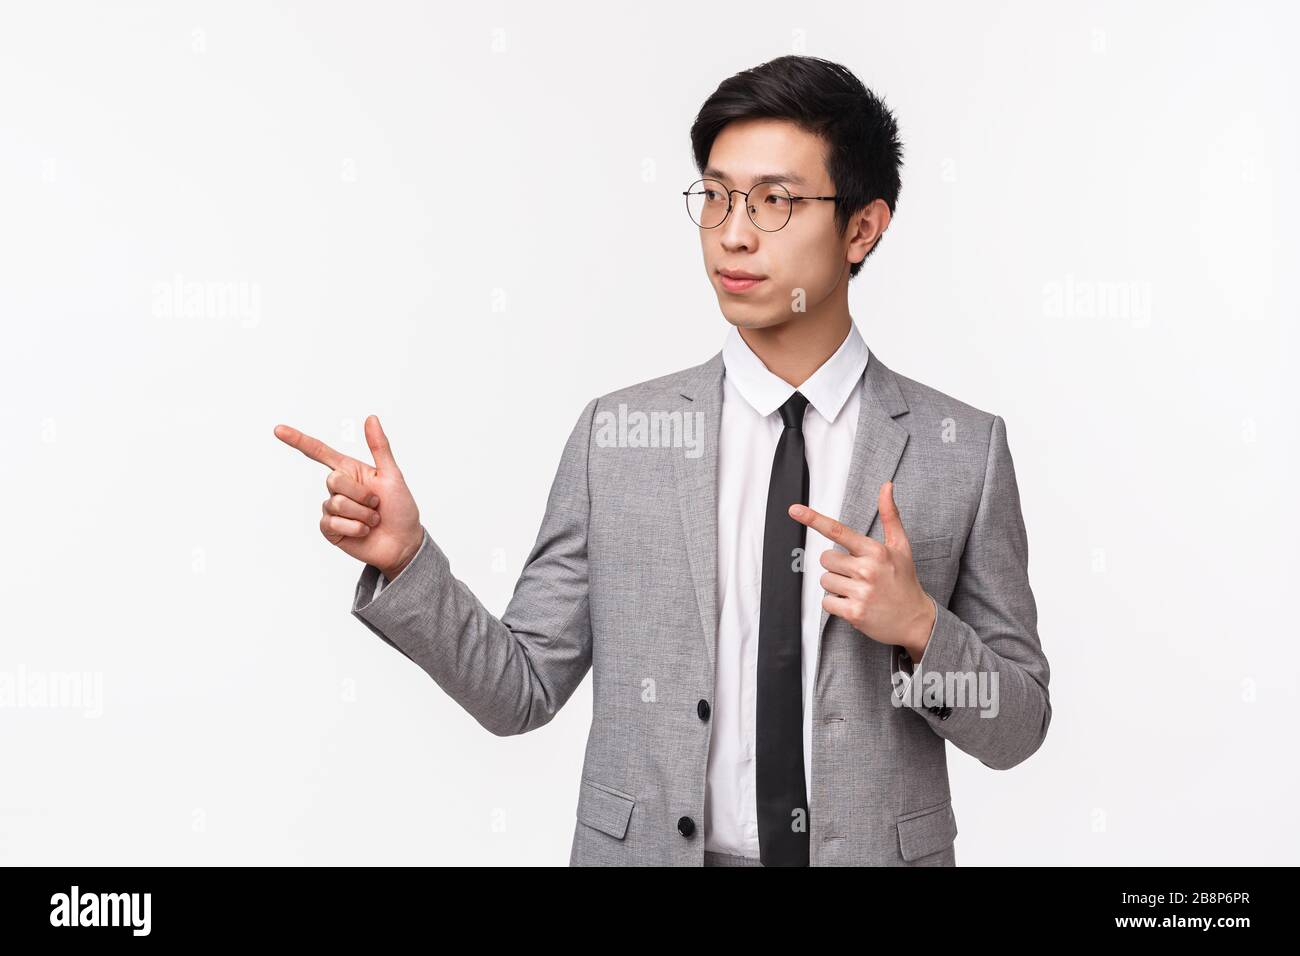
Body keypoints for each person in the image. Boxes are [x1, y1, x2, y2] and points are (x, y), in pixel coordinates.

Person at [275, 54, 1051, 866]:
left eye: (776, 201)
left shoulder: (962, 449)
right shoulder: (619, 437)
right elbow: (521, 690)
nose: (734, 232)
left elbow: (1020, 727)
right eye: (714, 197)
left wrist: (922, 630)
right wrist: (406, 561)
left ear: (862, 226)